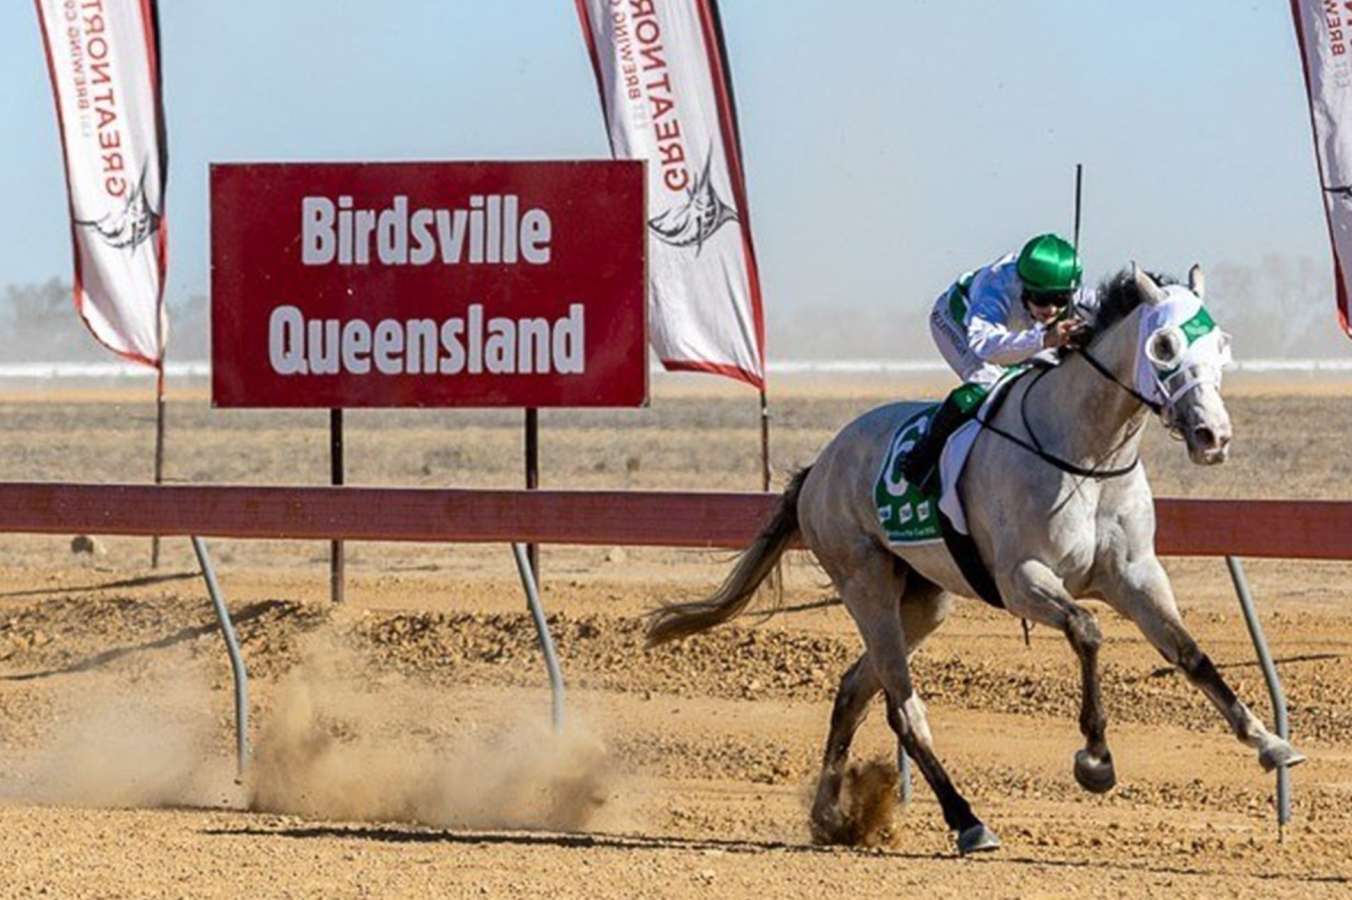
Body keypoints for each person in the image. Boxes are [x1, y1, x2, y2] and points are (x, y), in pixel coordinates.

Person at [899, 232, 1091, 493]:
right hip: (956, 322)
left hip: (1013, 331)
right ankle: (922, 458)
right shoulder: (995, 287)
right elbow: (985, 346)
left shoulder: (1067, 289)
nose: (1052, 310)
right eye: (1042, 299)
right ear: (1024, 287)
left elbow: (1108, 302)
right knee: (987, 380)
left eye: (1060, 300)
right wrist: (1045, 339)